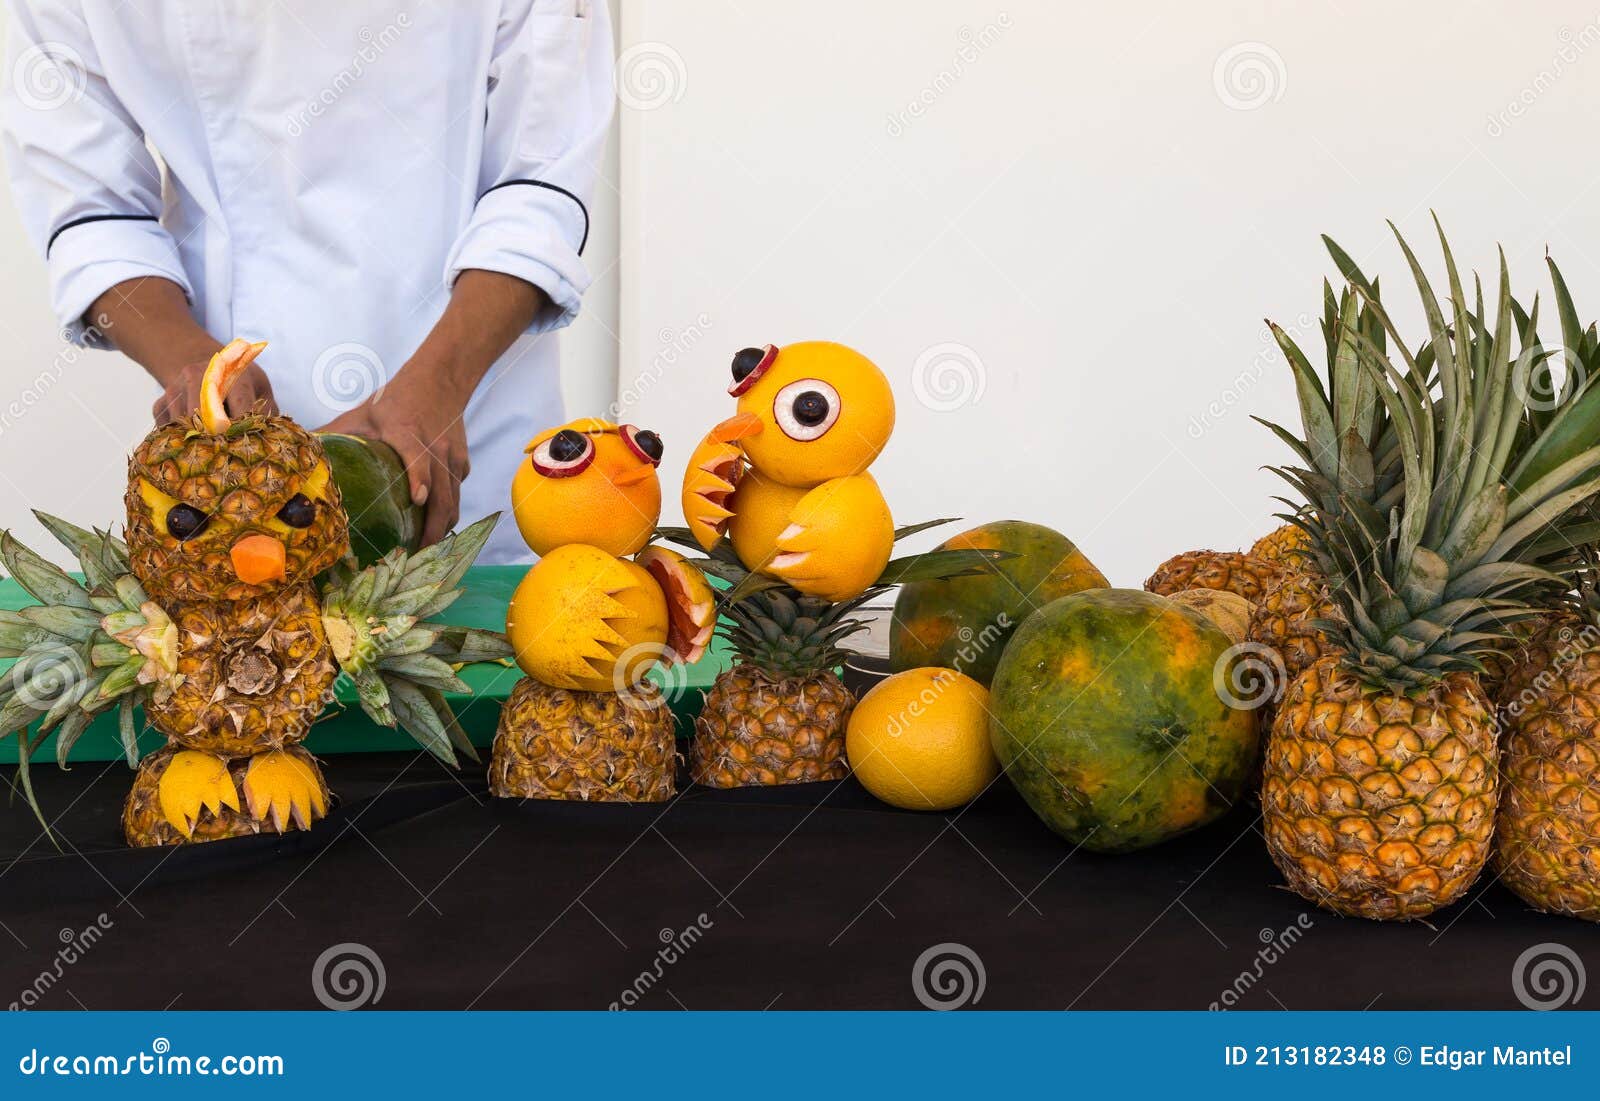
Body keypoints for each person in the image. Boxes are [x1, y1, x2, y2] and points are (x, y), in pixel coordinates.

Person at [1, 1, 614, 563]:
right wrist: (192, 362)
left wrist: (445, 379)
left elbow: (537, 186)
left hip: (475, 426)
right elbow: (94, 212)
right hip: (236, 481)